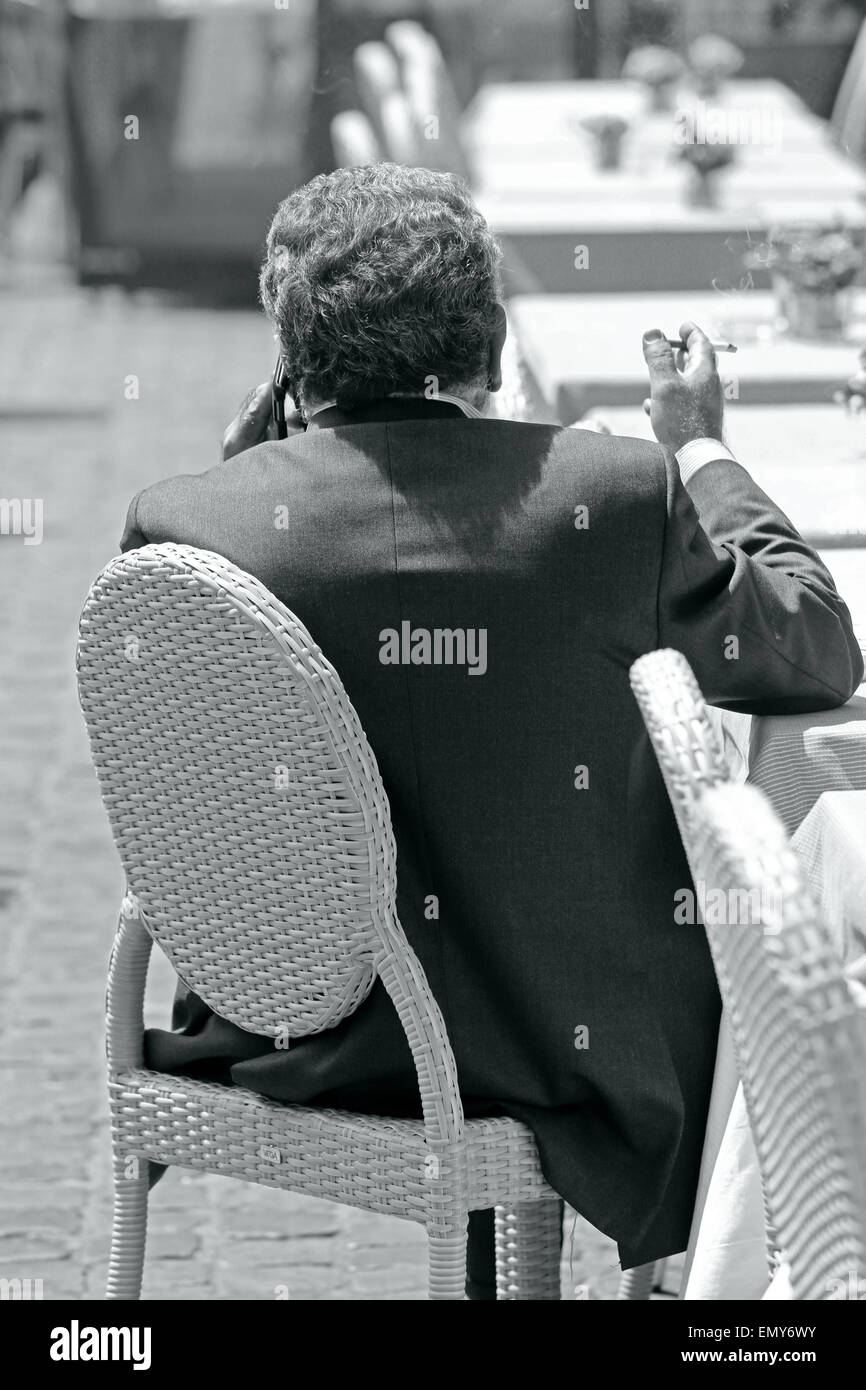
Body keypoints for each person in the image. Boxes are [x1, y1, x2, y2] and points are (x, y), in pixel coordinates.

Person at [120, 163, 863, 1300]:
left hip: (300, 1037)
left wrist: (257, 463)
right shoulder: (612, 494)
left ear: (291, 358)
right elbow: (812, 651)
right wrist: (702, 450)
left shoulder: (191, 519)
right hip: (571, 1056)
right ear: (494, 342)